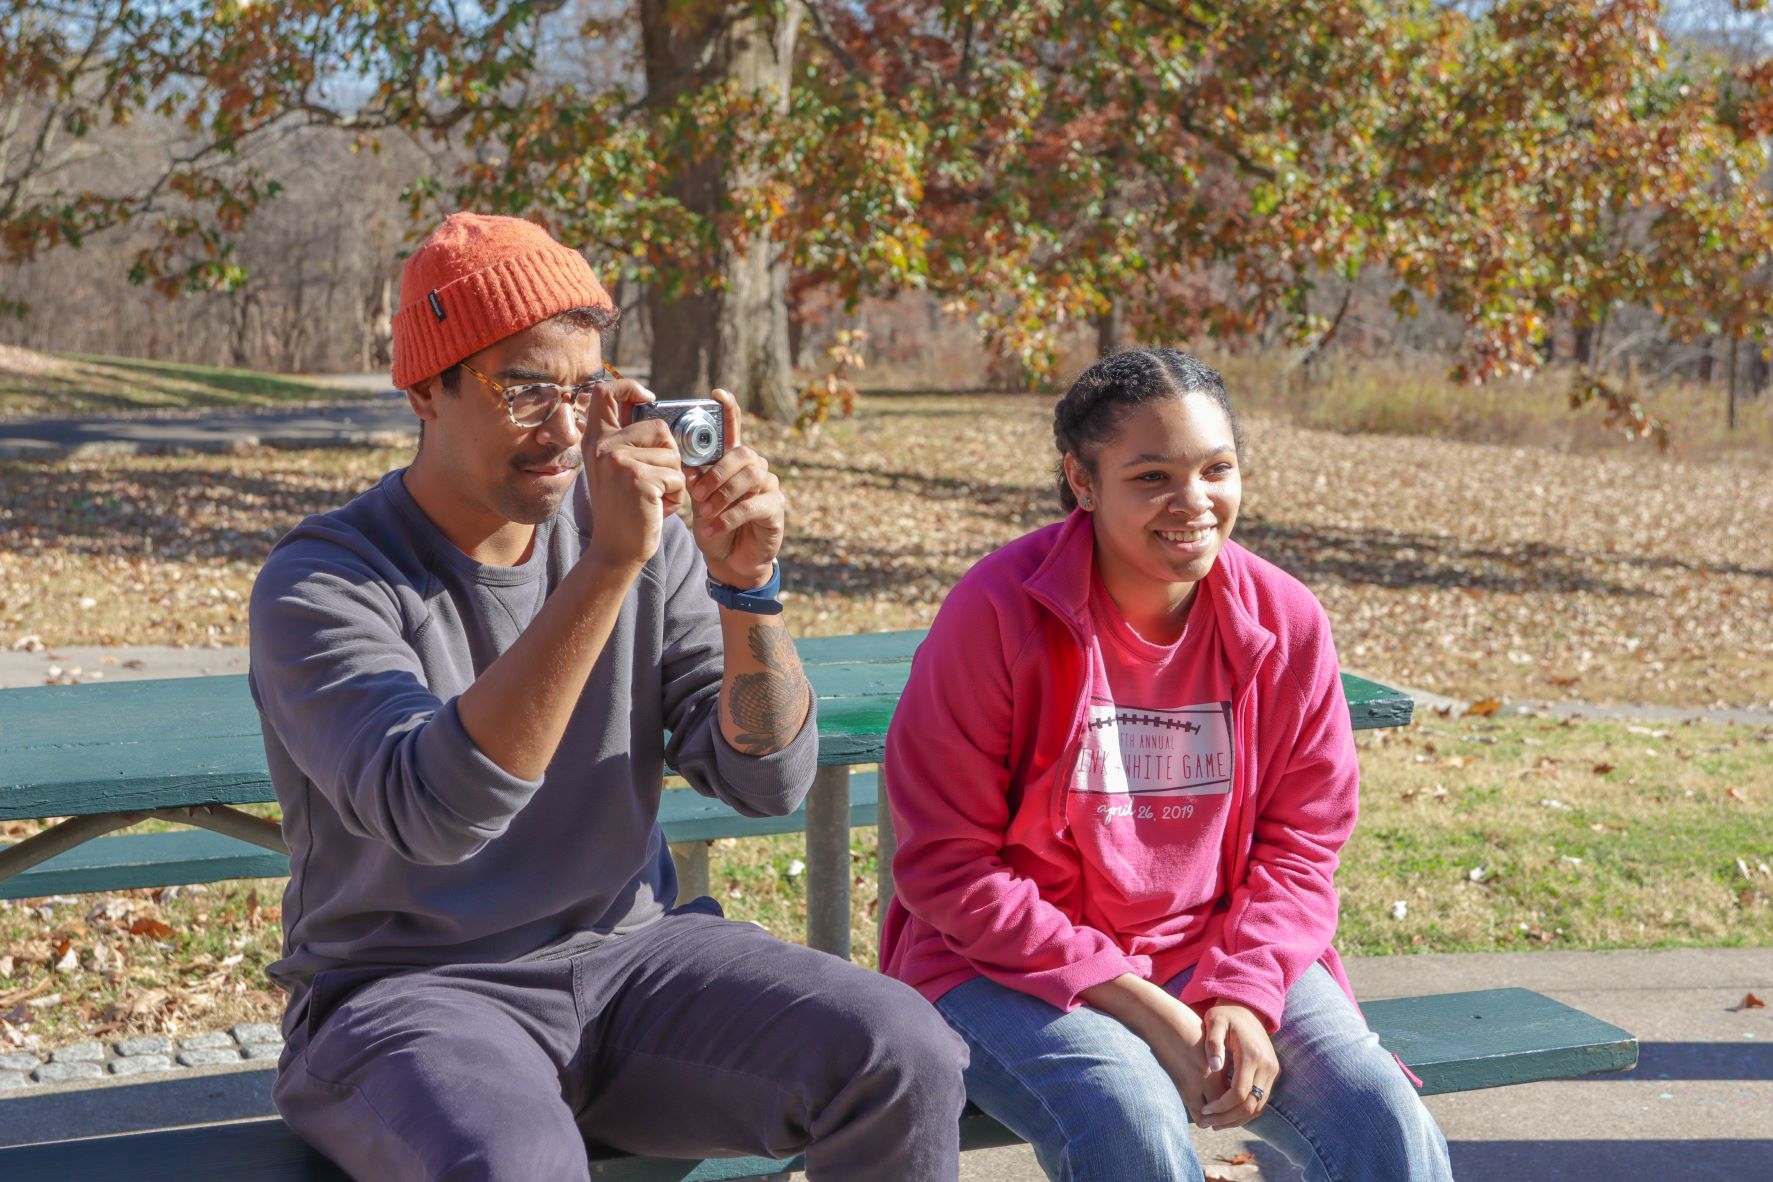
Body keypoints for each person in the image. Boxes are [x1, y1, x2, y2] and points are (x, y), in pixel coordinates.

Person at [249, 211, 966, 1182]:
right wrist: (608, 565)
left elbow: (765, 778)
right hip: (405, 997)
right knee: (514, 1165)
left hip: (630, 962)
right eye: (525, 388)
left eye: (584, 389)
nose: (563, 428)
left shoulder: (640, 539)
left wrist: (746, 589)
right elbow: (439, 809)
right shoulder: (327, 581)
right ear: (424, 388)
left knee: (902, 1053)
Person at [878, 348, 1452, 1182]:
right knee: (1130, 1113)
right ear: (1081, 480)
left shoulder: (1283, 621)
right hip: (1000, 964)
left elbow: (1302, 844)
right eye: (1150, 477)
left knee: (1376, 1111)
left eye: (1216, 469)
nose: (1193, 503)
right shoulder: (994, 614)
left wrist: (1244, 995)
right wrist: (1146, 1009)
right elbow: (945, 869)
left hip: (1216, 946)